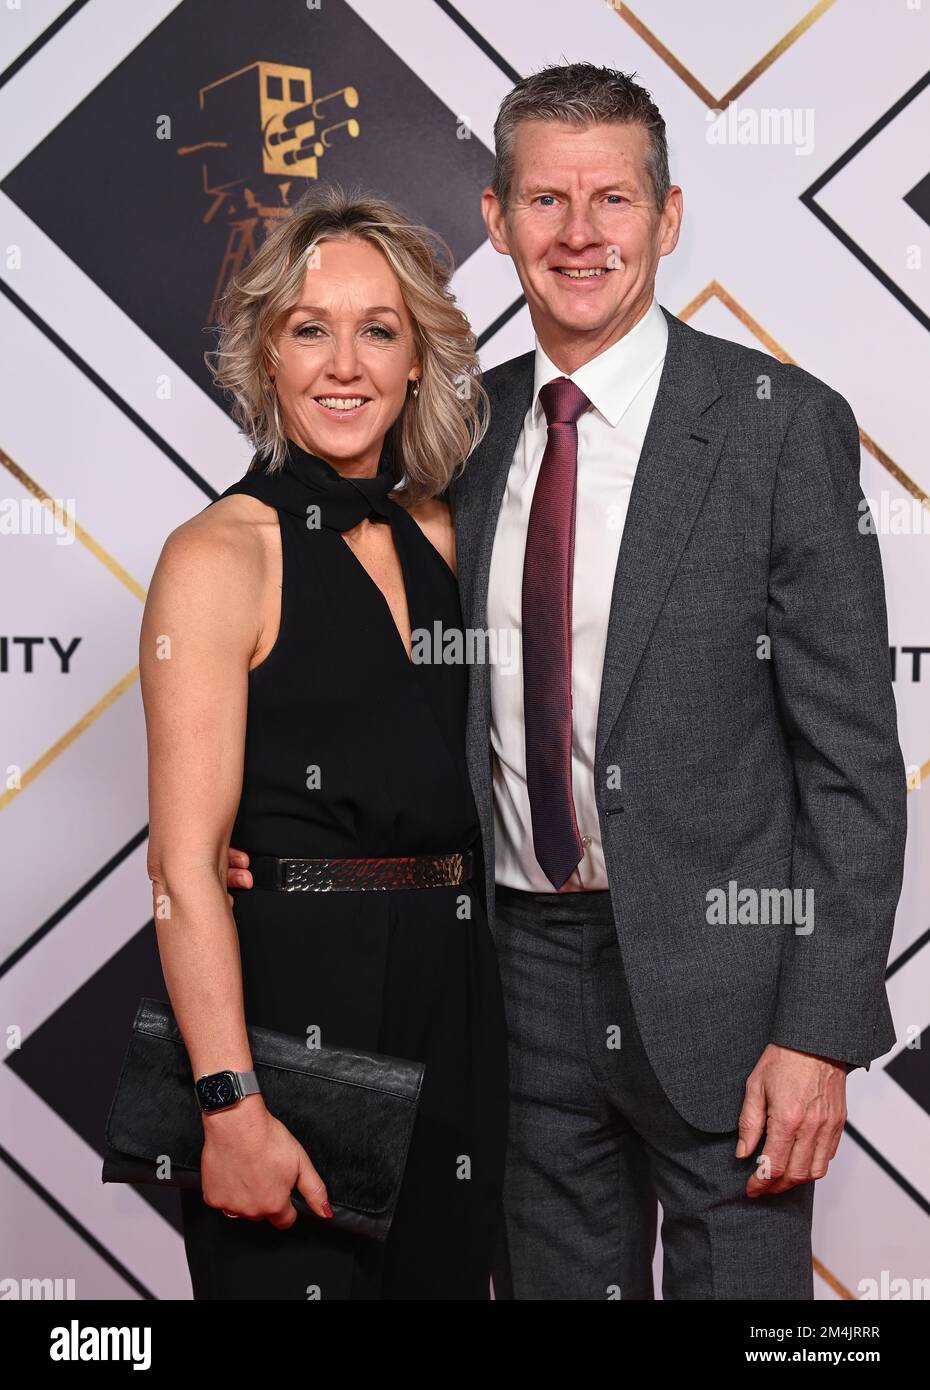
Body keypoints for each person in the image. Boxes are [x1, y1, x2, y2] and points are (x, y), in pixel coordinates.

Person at [232, 63, 907, 1300]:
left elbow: (856, 767)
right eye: (547, 201)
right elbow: (358, 668)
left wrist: (817, 1026)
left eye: (613, 199)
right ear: (497, 221)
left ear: (668, 214)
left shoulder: (778, 428)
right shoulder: (458, 438)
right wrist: (283, 843)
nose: (581, 234)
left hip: (730, 990)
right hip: (512, 983)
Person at [141, 184, 507, 1300]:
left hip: (456, 995)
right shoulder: (217, 555)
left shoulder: (451, 527)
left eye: (378, 330)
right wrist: (228, 1103)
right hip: (290, 1010)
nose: (343, 364)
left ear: (416, 363)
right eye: (311, 329)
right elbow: (184, 869)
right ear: (266, 354)